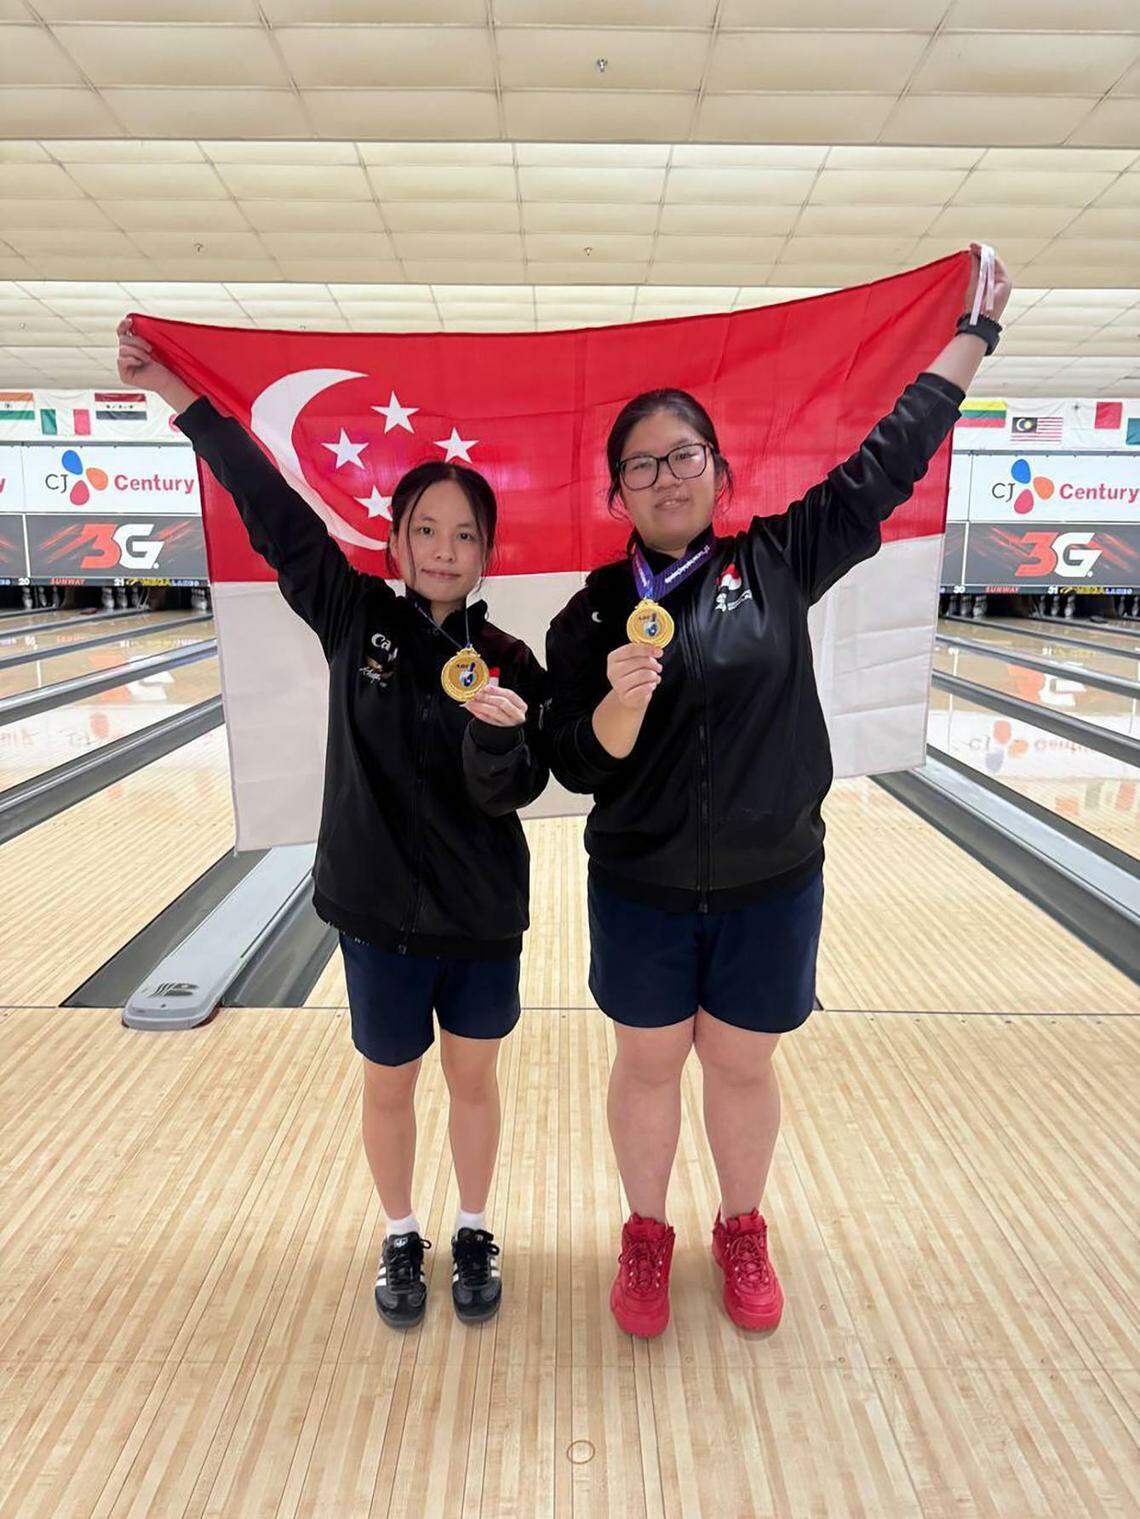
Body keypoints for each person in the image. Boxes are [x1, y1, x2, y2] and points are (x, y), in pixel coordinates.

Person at [544, 248, 1011, 1337]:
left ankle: (741, 1226)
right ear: (616, 493)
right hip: (643, 885)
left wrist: (972, 339)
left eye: (684, 456)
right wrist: (616, 703)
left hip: (771, 879)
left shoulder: (777, 561)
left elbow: (884, 466)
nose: (666, 477)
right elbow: (574, 764)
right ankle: (646, 1233)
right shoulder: (590, 614)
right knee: (648, 1061)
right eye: (642, 465)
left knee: (742, 1063)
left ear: (720, 473)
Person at [116, 319, 550, 1330]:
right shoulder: (355, 617)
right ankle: (401, 1232)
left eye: (465, 534)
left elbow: (518, 792)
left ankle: (474, 1225)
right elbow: (272, 513)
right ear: (396, 542)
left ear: (487, 552)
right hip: (376, 911)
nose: (445, 549)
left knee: (473, 1077)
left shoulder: (512, 664)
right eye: (427, 530)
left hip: (481, 914)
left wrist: (500, 739)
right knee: (389, 1081)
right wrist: (183, 399)